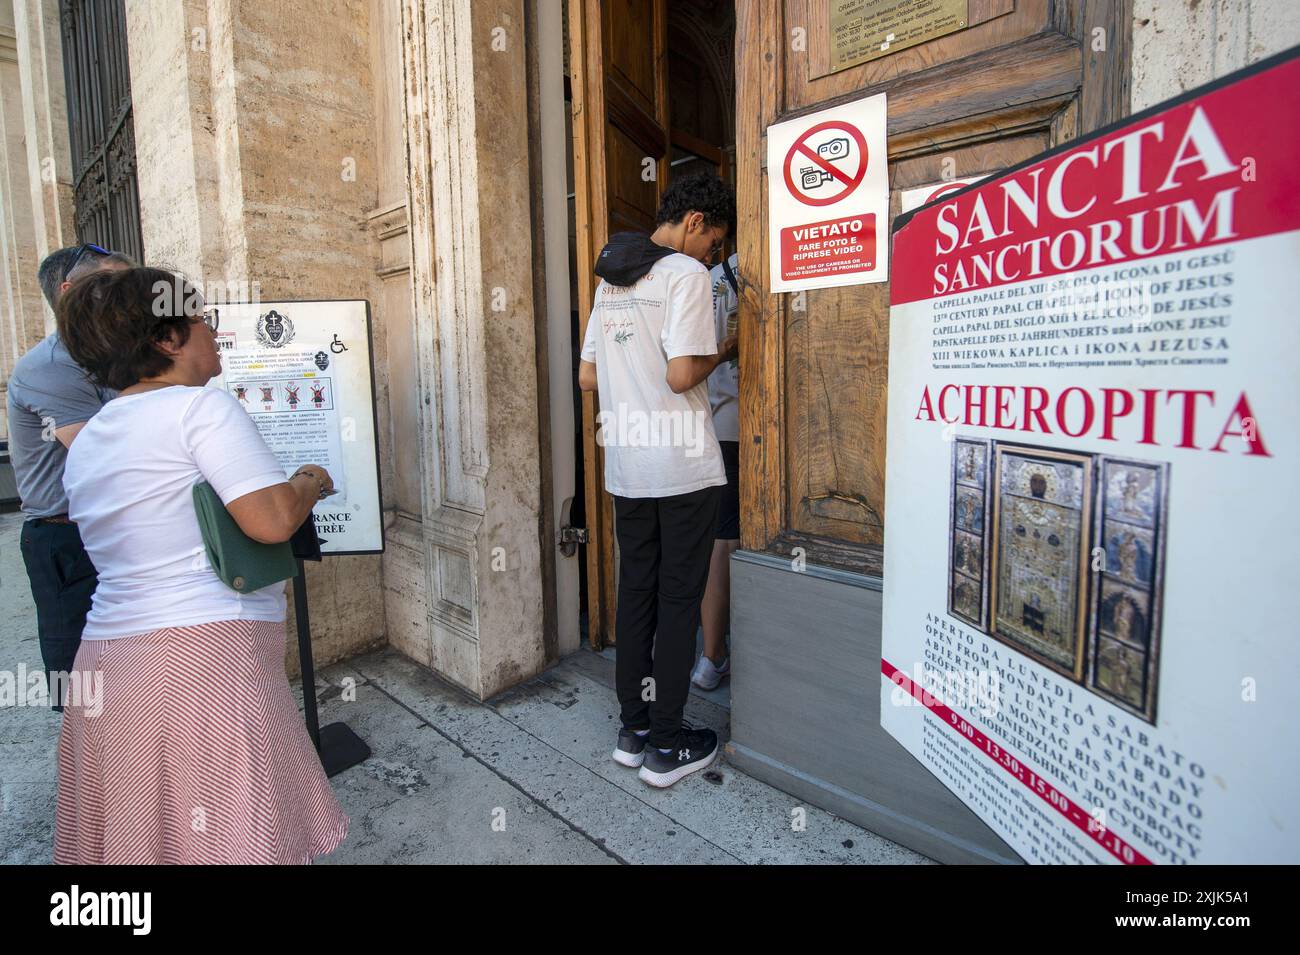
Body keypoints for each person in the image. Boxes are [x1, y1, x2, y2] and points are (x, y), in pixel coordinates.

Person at [53, 266, 348, 864]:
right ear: (166, 339)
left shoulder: (89, 438)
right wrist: (309, 481)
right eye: (200, 319)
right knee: (231, 833)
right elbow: (269, 520)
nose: (212, 331)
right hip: (203, 655)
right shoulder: (198, 411)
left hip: (111, 656)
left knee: (146, 832)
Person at [578, 173, 737, 788]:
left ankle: (635, 729)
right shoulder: (684, 275)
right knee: (678, 604)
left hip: (627, 466)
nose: (712, 256)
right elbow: (679, 376)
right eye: (714, 241)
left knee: (636, 592)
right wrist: (723, 350)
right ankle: (669, 747)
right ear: (695, 220)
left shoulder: (611, 277)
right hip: (682, 467)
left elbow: (588, 378)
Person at [8, 243, 134, 709]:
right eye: (117, 285)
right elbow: (104, 457)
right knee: (83, 685)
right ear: (72, 291)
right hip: (67, 540)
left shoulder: (105, 356)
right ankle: (93, 775)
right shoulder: (50, 367)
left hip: (110, 528)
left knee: (128, 672)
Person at [693, 250, 741, 690]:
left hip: (717, 424)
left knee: (720, 541)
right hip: (764, 426)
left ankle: (711, 657)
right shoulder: (767, 267)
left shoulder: (706, 281)